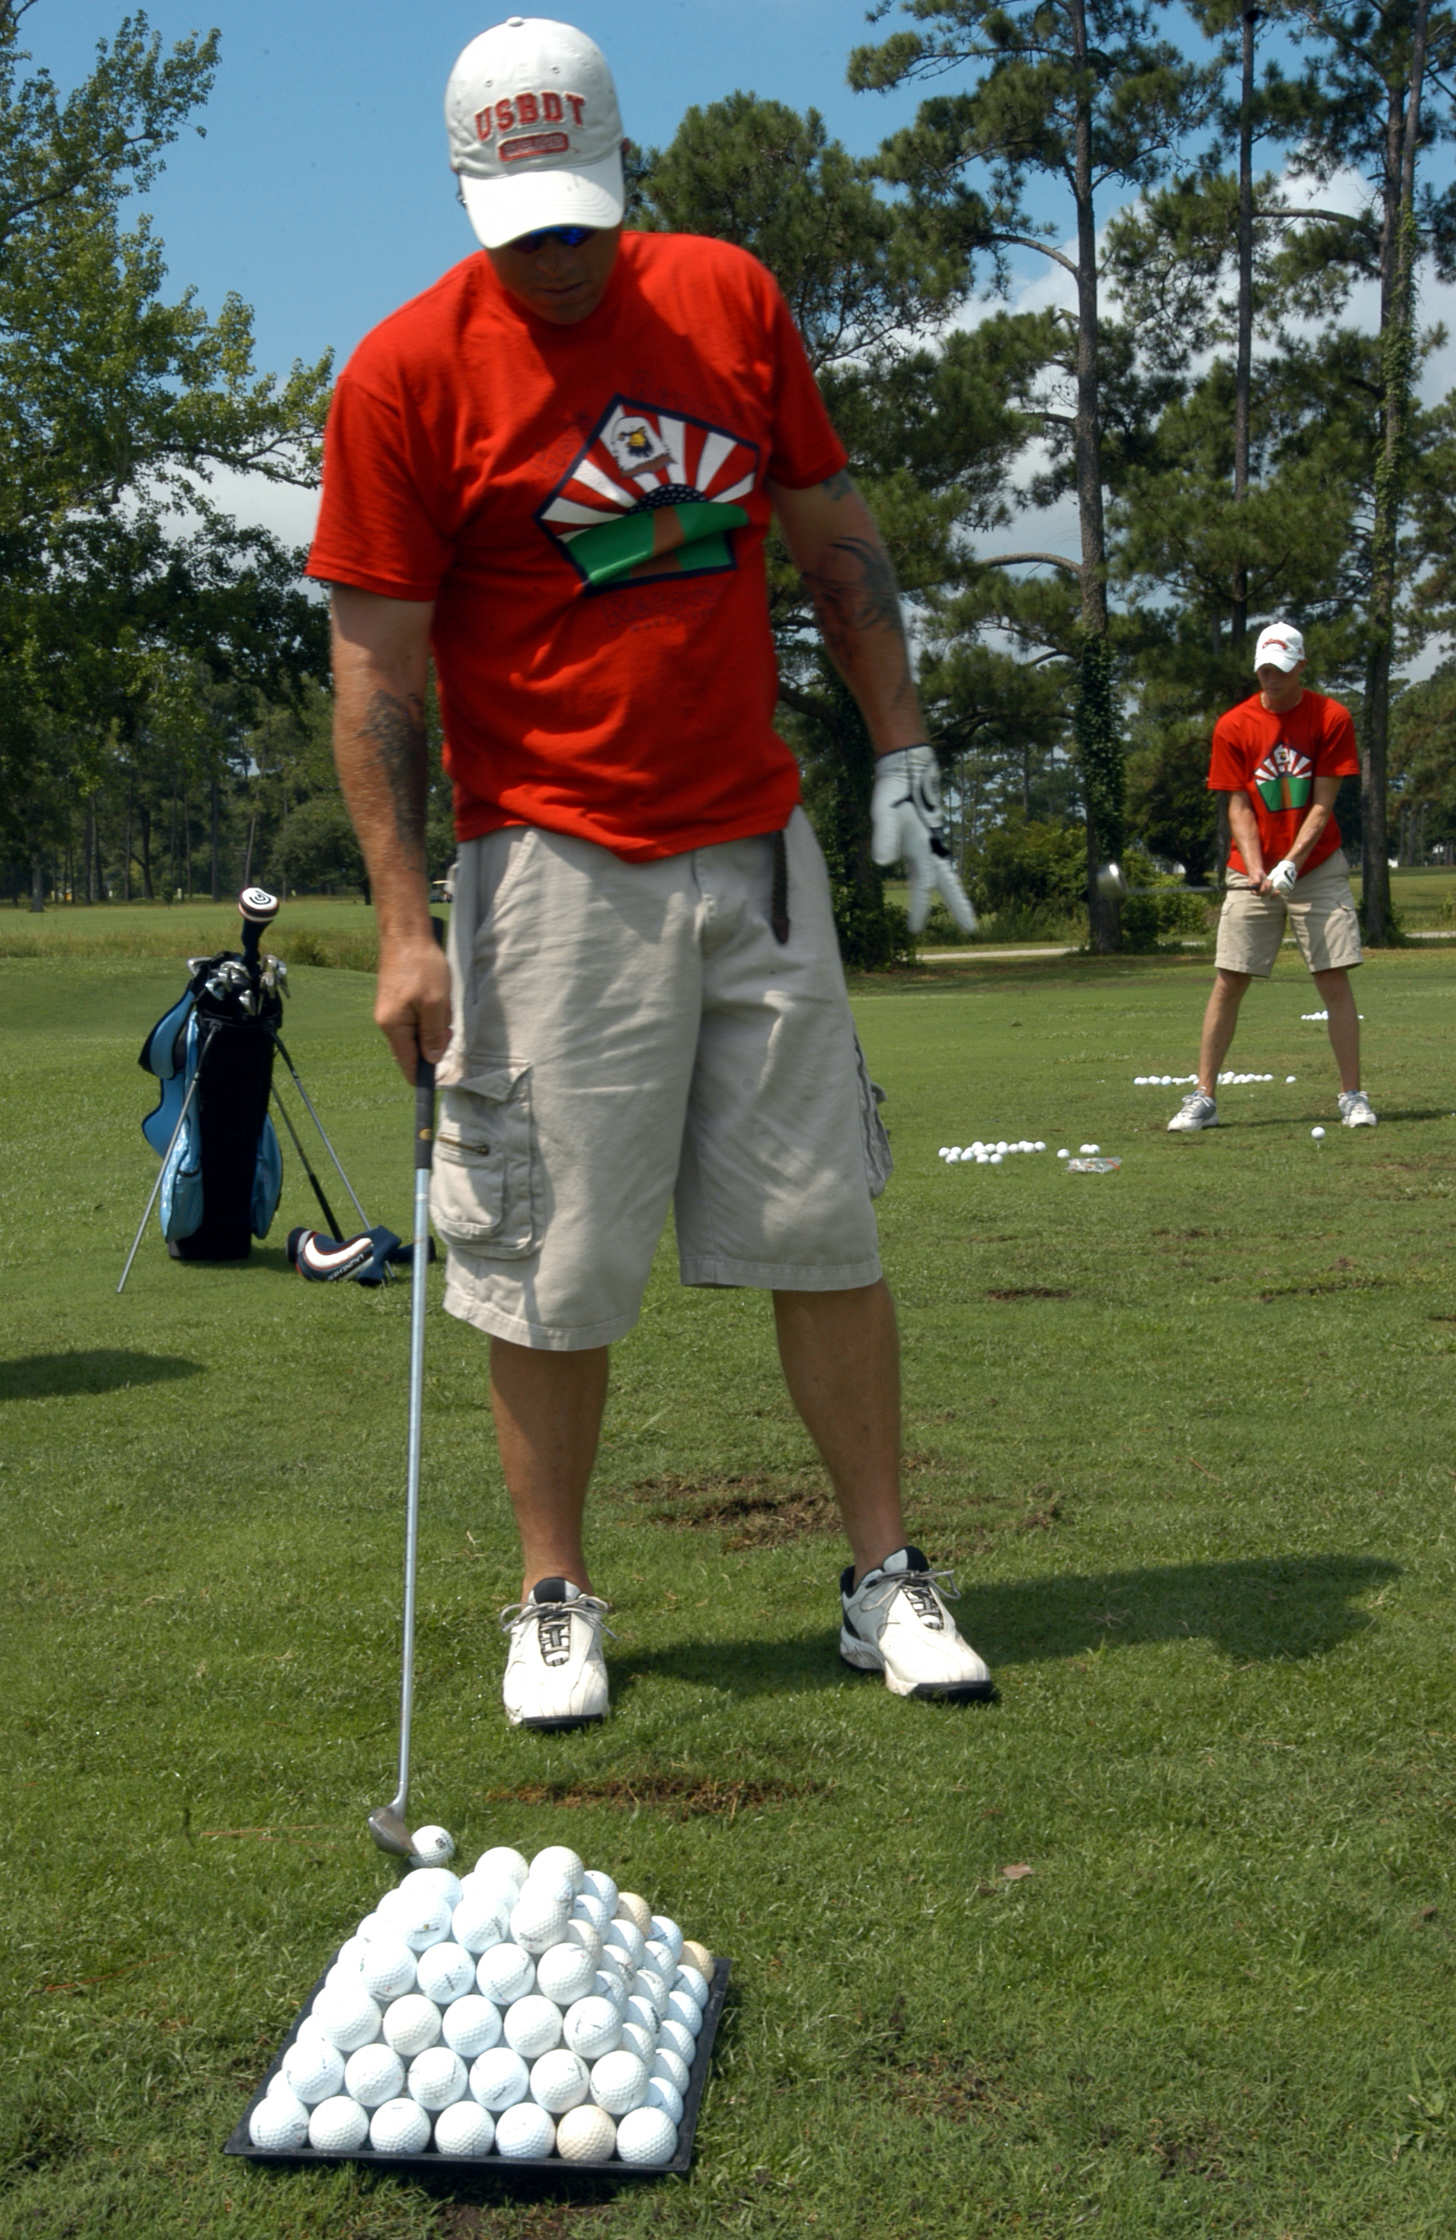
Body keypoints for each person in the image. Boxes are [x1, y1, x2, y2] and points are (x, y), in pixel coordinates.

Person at [308, 17, 990, 1729]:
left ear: (622, 175)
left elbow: (833, 538)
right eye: (520, 219)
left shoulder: (728, 300)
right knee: (547, 1247)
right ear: (468, 190)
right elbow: (377, 675)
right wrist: (405, 927)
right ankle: (552, 1598)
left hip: (755, 844)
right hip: (546, 865)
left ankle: (883, 1579)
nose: (551, 253)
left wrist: (902, 746)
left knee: (823, 1222)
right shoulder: (404, 376)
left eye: (576, 216)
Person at [1167, 622, 1375, 1134]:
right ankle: (1204, 1098)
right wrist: (1260, 866)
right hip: (1251, 868)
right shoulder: (1233, 726)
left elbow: (1323, 804)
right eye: (1263, 668)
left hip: (1317, 865)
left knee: (1331, 976)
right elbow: (1238, 804)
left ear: (1301, 666)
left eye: (1281, 669)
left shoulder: (1331, 717)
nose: (1271, 677)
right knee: (1229, 979)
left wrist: (1291, 864)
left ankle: (1352, 1095)